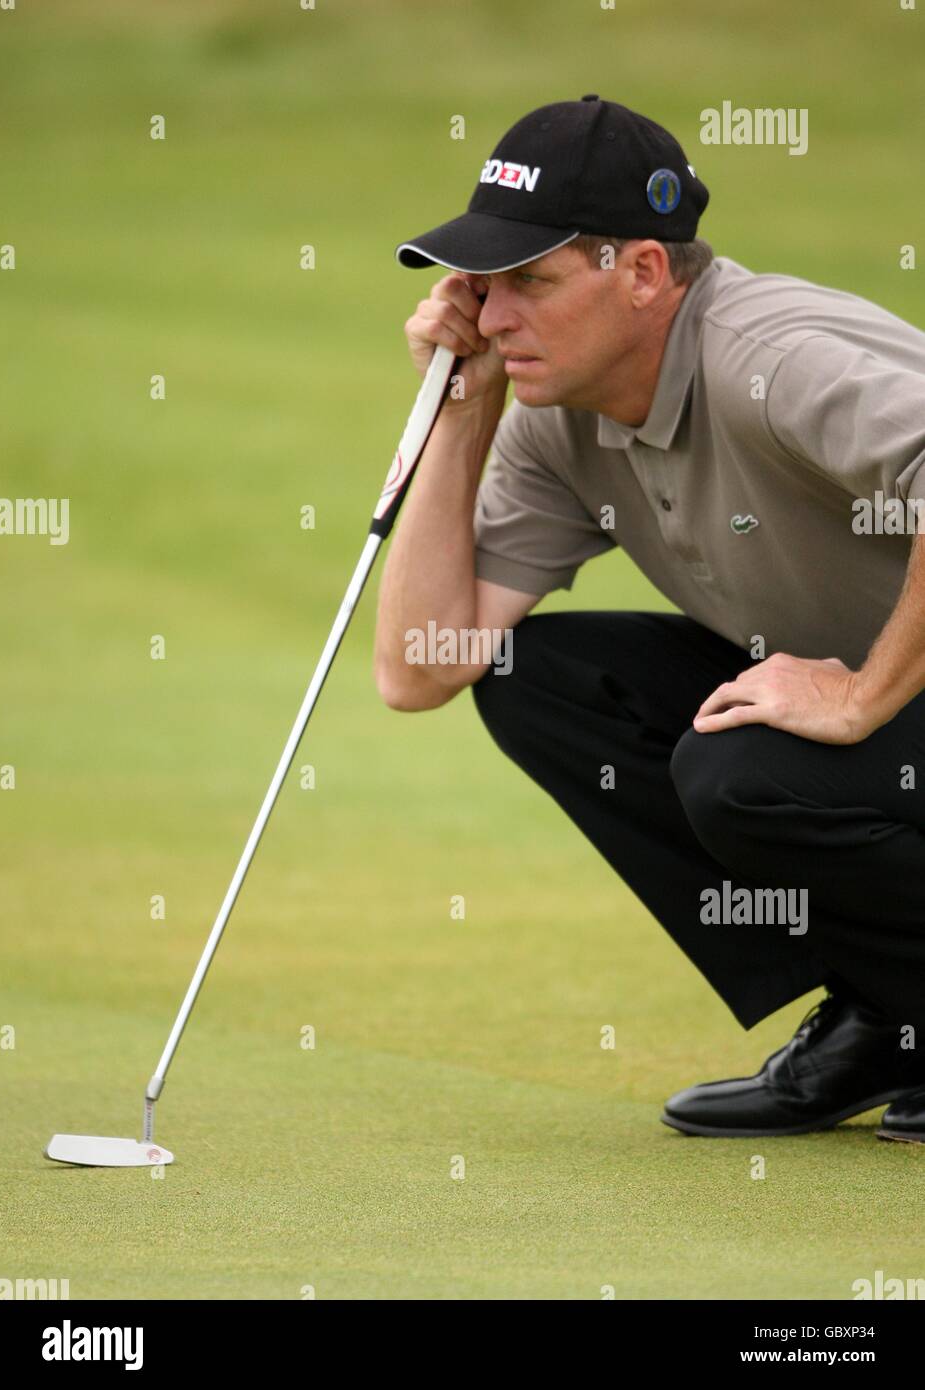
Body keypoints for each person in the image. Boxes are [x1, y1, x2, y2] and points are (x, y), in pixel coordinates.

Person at [373, 95, 925, 1143]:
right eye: (484, 287)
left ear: (642, 273)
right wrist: (462, 409)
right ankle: (895, 1014)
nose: (490, 319)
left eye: (529, 283)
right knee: (529, 676)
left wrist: (860, 695)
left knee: (740, 769)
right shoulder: (559, 423)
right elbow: (420, 667)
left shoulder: (774, 361)